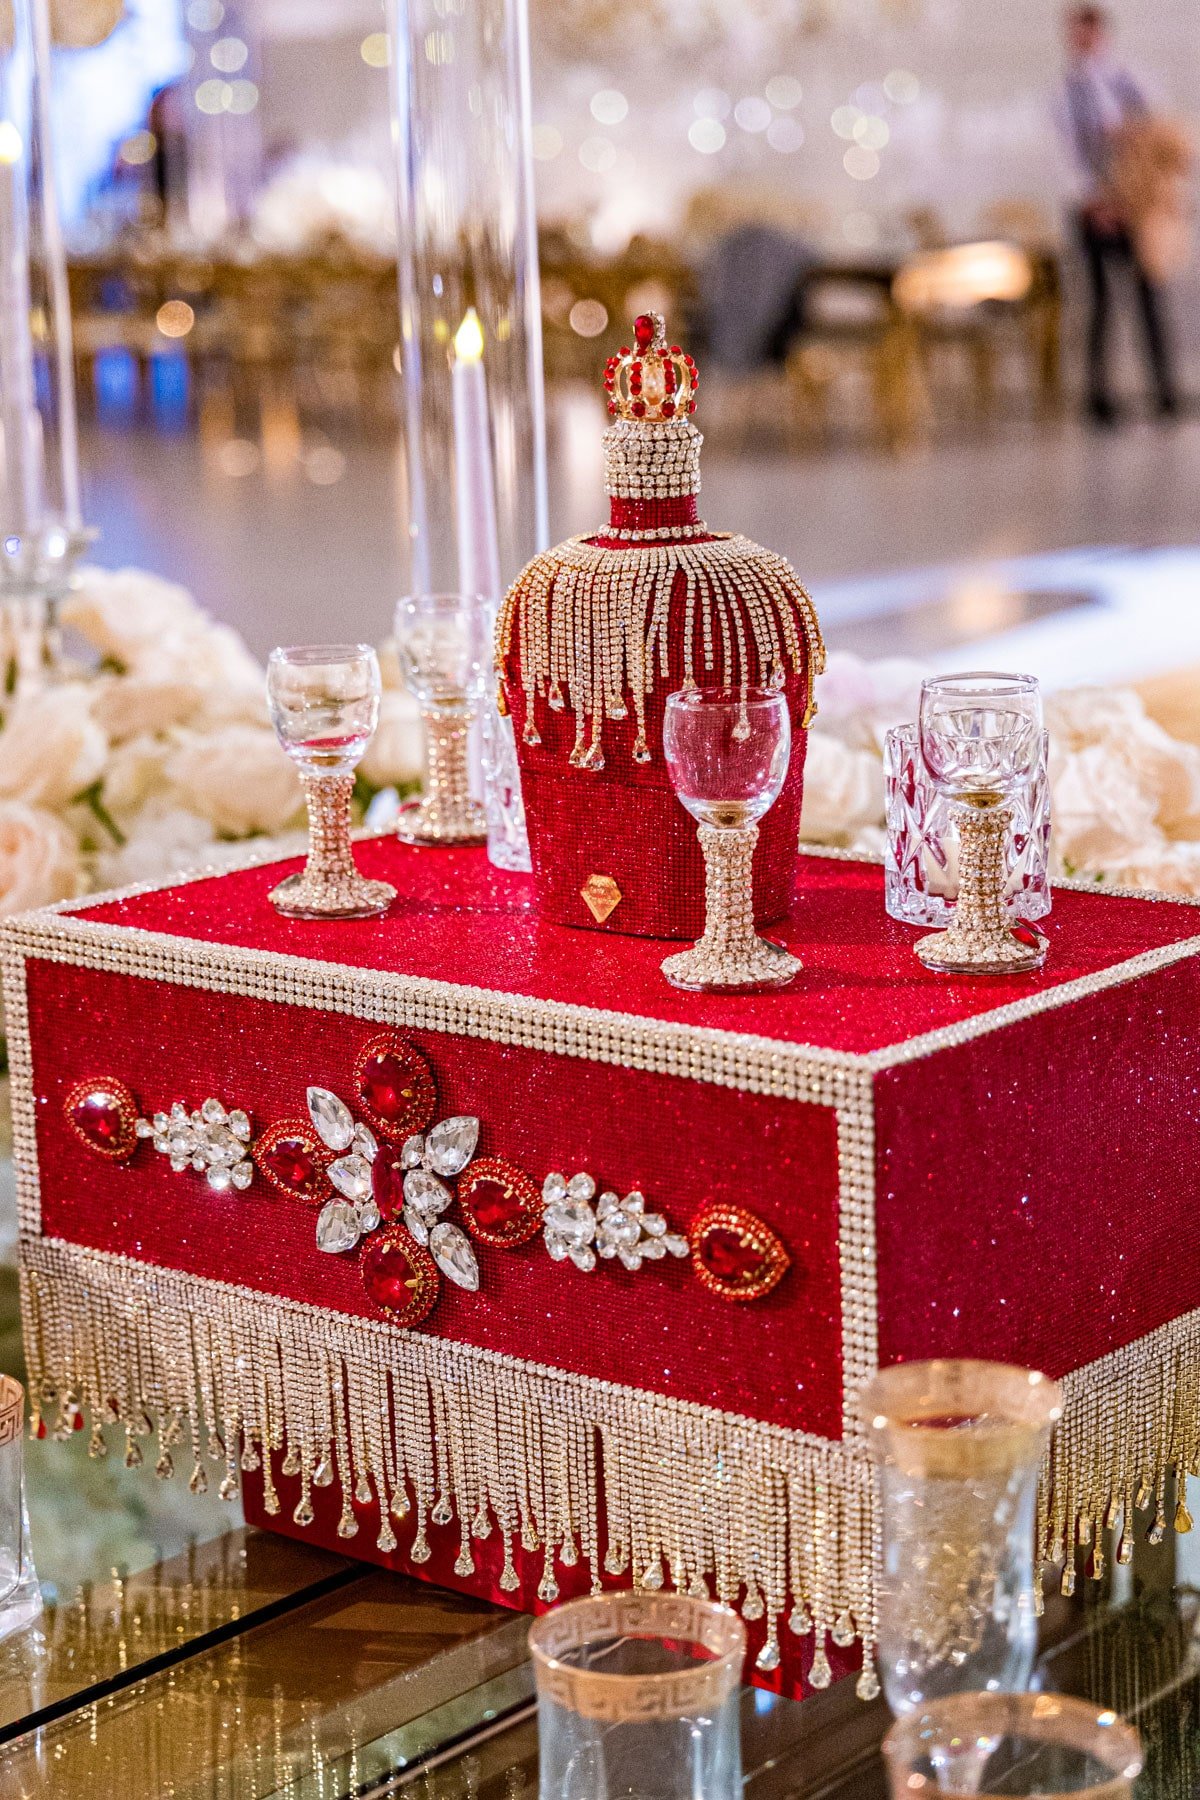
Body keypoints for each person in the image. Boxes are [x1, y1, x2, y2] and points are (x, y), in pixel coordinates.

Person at [1059, 4, 1182, 425]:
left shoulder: (1128, 80)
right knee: (1099, 305)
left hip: (1137, 207)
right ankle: (1099, 395)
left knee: (1148, 299)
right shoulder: (1065, 93)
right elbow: (1068, 156)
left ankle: (1164, 390)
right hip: (1096, 209)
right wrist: (1096, 200)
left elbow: (1161, 136)